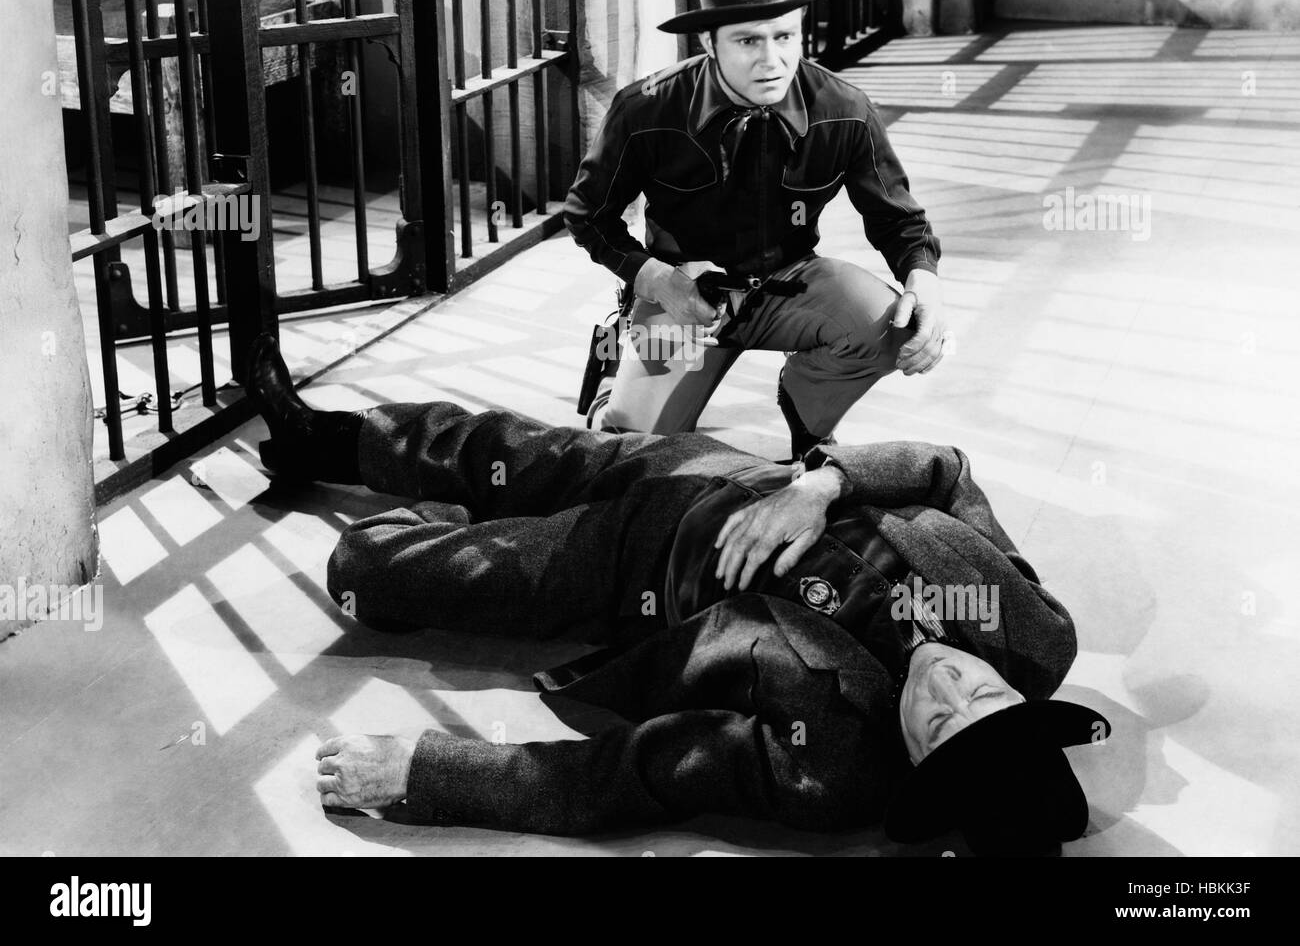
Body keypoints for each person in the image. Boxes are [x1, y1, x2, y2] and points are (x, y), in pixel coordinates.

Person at [246, 335, 1108, 854]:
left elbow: (635, 776)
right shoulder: (1036, 633)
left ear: (913, 760)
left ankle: (466, 516)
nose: (946, 685)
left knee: (371, 576)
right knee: (508, 446)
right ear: (1021, 692)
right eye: (982, 693)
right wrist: (821, 485)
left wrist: (428, 772)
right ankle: (322, 438)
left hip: (632, 572)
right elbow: (946, 471)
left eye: (937, 722)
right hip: (721, 473)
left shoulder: (834, 763)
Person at [563, 0, 947, 458]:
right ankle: (614, 387)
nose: (772, 60)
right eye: (748, 41)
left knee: (887, 329)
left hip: (788, 282)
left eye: (785, 36)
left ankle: (809, 415)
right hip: (684, 291)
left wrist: (926, 286)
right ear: (708, 41)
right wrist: (656, 280)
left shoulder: (845, 109)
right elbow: (589, 216)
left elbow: (898, 221)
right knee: (630, 455)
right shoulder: (644, 110)